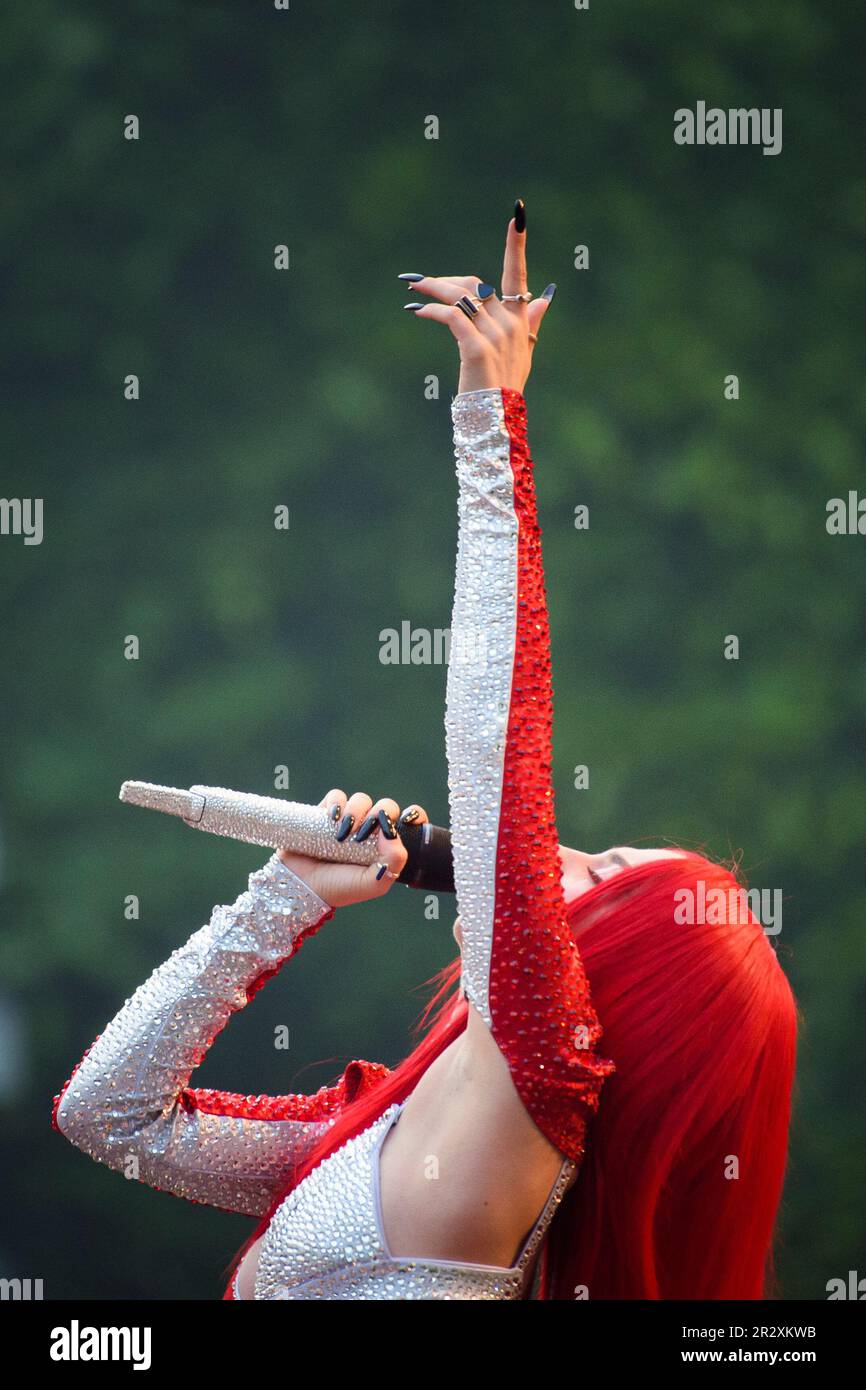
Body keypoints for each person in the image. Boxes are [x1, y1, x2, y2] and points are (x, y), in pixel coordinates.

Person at [53, 200, 798, 1300]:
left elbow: (498, 764)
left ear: (622, 986)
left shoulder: (541, 1082)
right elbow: (109, 1117)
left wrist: (489, 422)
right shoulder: (401, 1116)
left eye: (598, 875)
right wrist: (282, 899)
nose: (564, 858)